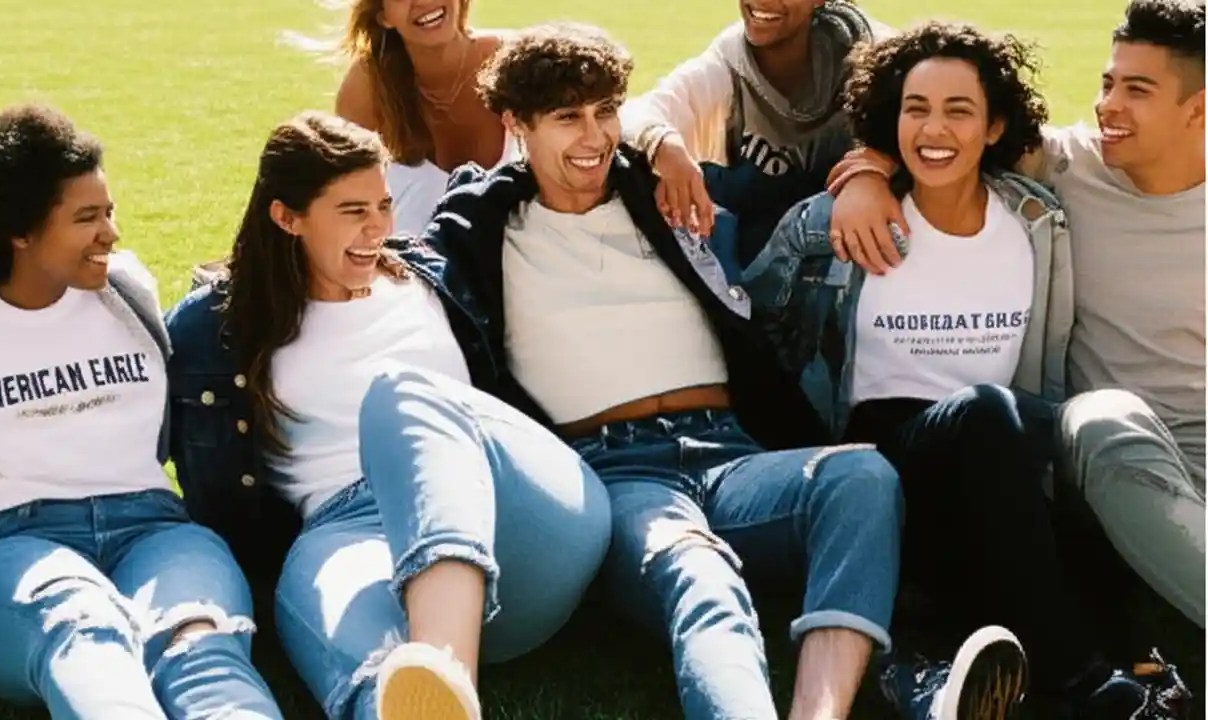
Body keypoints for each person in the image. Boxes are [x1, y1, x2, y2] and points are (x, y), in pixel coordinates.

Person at [423, 22, 903, 720]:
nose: (594, 137)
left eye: (604, 112)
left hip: (731, 454)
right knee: (700, 577)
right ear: (515, 124)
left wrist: (867, 166)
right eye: (567, 119)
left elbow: (790, 179)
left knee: (864, 476)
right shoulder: (480, 222)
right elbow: (384, 256)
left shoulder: (666, 193)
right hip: (617, 477)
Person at [740, 21, 1191, 719]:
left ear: (995, 125)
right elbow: (754, 345)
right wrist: (863, 171)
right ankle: (1084, 680)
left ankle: (953, 659)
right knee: (991, 413)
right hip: (877, 474)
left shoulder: (1038, 222)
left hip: (998, 475)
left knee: (1034, 442)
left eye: (959, 110)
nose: (933, 129)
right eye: (915, 108)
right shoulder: (827, 228)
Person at [164, 111, 611, 720]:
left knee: (401, 393)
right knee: (365, 658)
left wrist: (662, 146)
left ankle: (444, 663)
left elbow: (542, 165)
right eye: (352, 211)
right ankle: (418, 700)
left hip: (510, 510)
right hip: (348, 526)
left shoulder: (431, 271)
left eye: (383, 205)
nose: (376, 227)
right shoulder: (213, 326)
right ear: (286, 217)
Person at [825, 0, 1205, 637]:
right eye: (1108, 82)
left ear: (1198, 109)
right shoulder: (1069, 167)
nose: (1108, 105)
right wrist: (868, 169)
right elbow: (941, 131)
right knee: (1102, 416)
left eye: (1137, 90)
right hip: (1102, 461)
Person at [0, 105, 283, 720]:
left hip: (155, 531)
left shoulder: (126, 292)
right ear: (21, 231)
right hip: (14, 541)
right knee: (86, 629)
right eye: (87, 218)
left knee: (198, 641)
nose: (111, 234)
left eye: (109, 212)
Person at [620, 0, 890, 250]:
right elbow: (637, 114)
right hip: (758, 255)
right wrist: (663, 143)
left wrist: (874, 168)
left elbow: (926, 135)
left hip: (851, 251)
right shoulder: (730, 61)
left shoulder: (877, 55)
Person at [332, 0, 519, 234]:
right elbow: (339, 207)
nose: (423, 1)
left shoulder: (513, 63)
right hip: (404, 265)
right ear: (384, 17)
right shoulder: (368, 87)